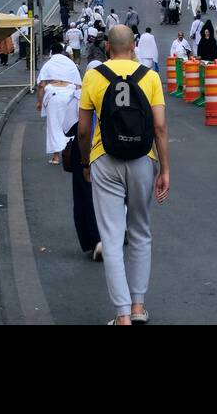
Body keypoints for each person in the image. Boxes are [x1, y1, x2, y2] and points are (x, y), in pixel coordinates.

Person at [76, 25, 170, 325]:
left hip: (105, 158)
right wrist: (165, 169)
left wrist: (85, 162)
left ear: (107, 48)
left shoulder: (93, 76)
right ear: (134, 47)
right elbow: (159, 128)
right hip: (144, 159)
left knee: (112, 237)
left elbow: (82, 129)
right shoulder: (150, 77)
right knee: (141, 232)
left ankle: (122, 315)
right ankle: (139, 306)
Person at [37, 51, 81, 165]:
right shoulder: (71, 65)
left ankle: (56, 157)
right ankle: (70, 151)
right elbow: (79, 86)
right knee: (70, 124)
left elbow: (41, 85)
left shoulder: (49, 64)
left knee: (54, 126)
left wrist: (39, 101)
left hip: (53, 96)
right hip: (70, 95)